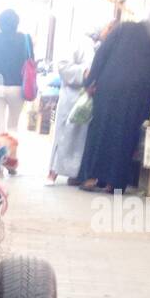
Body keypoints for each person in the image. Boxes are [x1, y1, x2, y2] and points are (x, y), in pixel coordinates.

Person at [77, 7, 150, 192]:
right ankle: (114, 183)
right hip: (136, 99)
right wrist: (147, 110)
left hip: (109, 88)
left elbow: (102, 54)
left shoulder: (124, 28)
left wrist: (89, 81)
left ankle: (91, 178)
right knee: (124, 137)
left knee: (100, 131)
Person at [46, 29, 100, 184]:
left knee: (82, 139)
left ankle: (75, 174)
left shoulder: (102, 46)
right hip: (72, 95)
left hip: (90, 97)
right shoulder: (78, 42)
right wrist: (85, 74)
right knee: (65, 134)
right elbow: (63, 66)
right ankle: (53, 172)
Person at [0, 9, 34, 134]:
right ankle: (12, 152)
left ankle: (0, 152)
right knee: (13, 126)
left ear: (0, 23)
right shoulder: (25, 39)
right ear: (17, 23)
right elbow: (31, 60)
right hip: (18, 86)